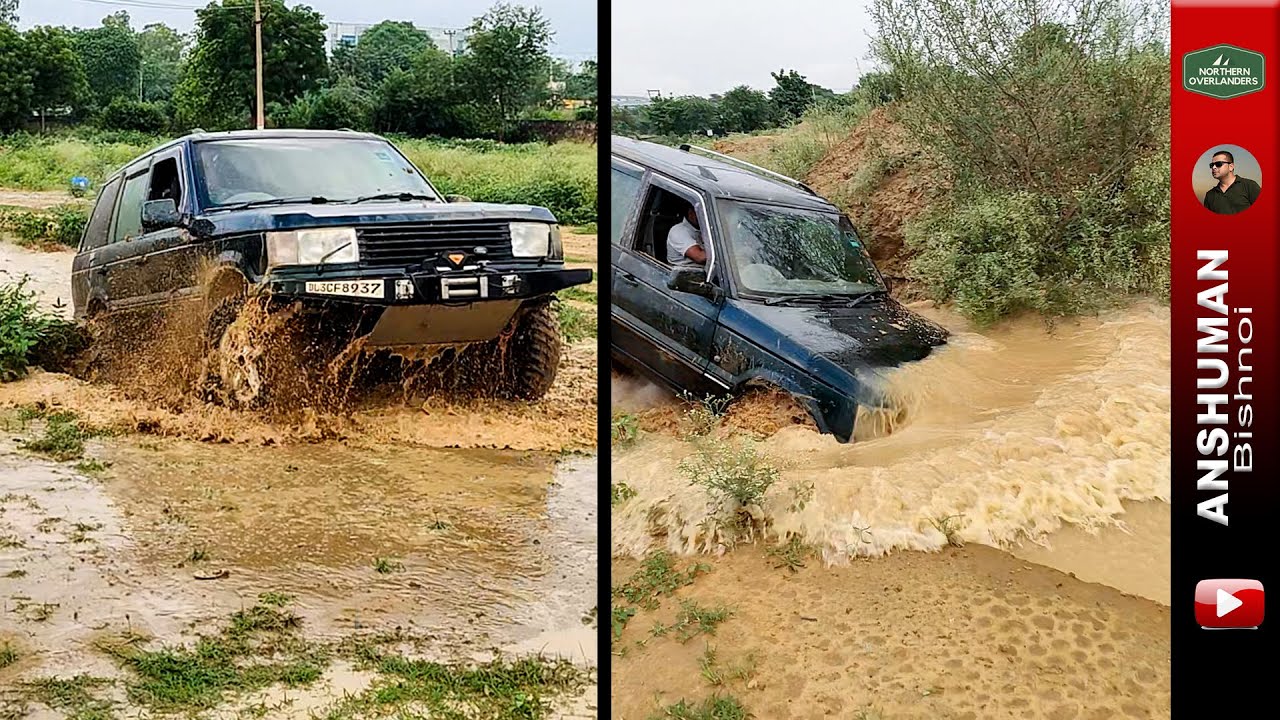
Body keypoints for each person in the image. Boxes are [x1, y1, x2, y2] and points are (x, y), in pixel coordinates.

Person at [1203, 150, 1261, 215]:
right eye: (1212, 165)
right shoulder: (1209, 195)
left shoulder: (1250, 186)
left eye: (1218, 164)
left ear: (1231, 166)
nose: (1213, 167)